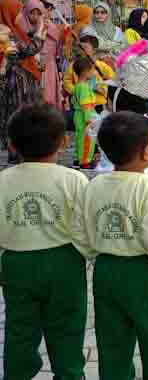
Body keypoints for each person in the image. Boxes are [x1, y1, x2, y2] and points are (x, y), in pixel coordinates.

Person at [77, 112, 148, 379]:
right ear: (146, 152)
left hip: (106, 271)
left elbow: (82, 230)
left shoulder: (95, 185)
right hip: (146, 273)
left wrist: (95, 254)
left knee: (113, 344)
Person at [0, 104, 89, 380]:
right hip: (65, 262)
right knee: (68, 327)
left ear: (12, 145)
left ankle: (16, 375)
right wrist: (87, 255)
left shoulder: (2, 180)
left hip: (16, 262)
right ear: (64, 142)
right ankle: (70, 374)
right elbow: (85, 227)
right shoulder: (74, 179)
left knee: (19, 329)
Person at [0, 0, 43, 164]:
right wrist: (39, 30)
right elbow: (28, 50)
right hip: (15, 83)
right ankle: (16, 153)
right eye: (18, 12)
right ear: (8, 13)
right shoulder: (5, 34)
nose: (20, 16)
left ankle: (20, 152)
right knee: (17, 117)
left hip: (22, 81)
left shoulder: (14, 30)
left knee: (22, 117)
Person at [70, 56, 100, 168]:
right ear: (85, 72)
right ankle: (85, 161)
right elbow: (86, 106)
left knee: (80, 138)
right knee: (87, 139)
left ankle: (78, 158)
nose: (93, 72)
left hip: (79, 115)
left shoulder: (79, 86)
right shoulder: (83, 87)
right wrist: (89, 121)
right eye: (92, 70)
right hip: (85, 116)